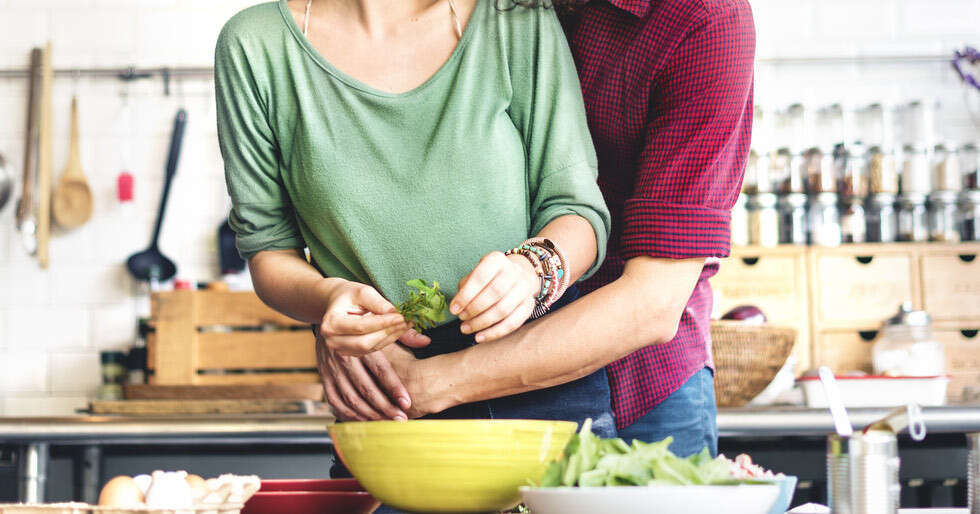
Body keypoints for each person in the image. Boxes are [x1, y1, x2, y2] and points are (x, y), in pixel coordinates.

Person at [329, 0, 756, 457]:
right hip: (428, 355)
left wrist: (420, 386)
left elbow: (651, 304)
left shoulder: (702, 18)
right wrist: (338, 319)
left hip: (639, 382)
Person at [214, 0, 616, 439]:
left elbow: (578, 212)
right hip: (386, 391)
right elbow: (269, 250)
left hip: (539, 376)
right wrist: (329, 297)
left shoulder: (513, 16)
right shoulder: (255, 45)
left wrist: (530, 271)